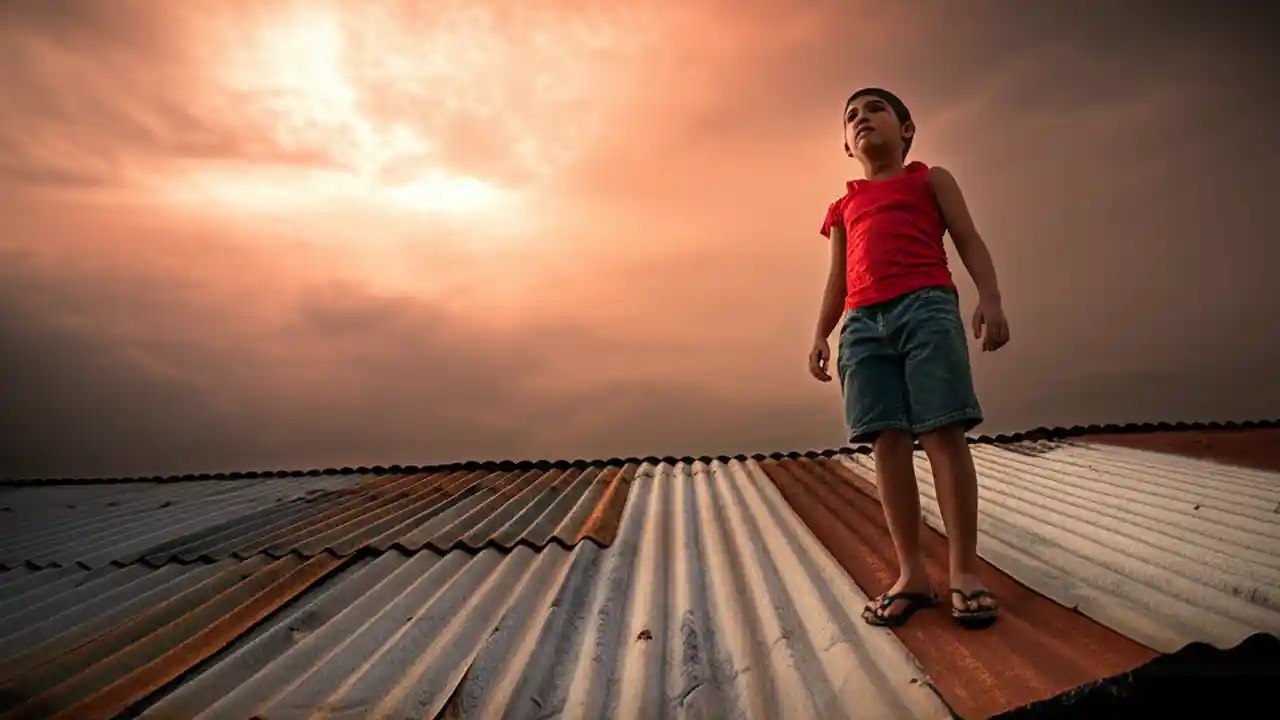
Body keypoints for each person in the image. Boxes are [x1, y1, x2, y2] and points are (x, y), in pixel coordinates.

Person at [808, 87, 1010, 628]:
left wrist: (989, 298)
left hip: (927, 308)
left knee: (943, 432)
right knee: (888, 442)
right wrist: (821, 333)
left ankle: (963, 571)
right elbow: (837, 278)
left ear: (906, 129)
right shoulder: (844, 206)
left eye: (875, 110)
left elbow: (968, 239)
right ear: (848, 145)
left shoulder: (930, 179)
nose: (862, 119)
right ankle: (912, 576)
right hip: (862, 324)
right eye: (851, 116)